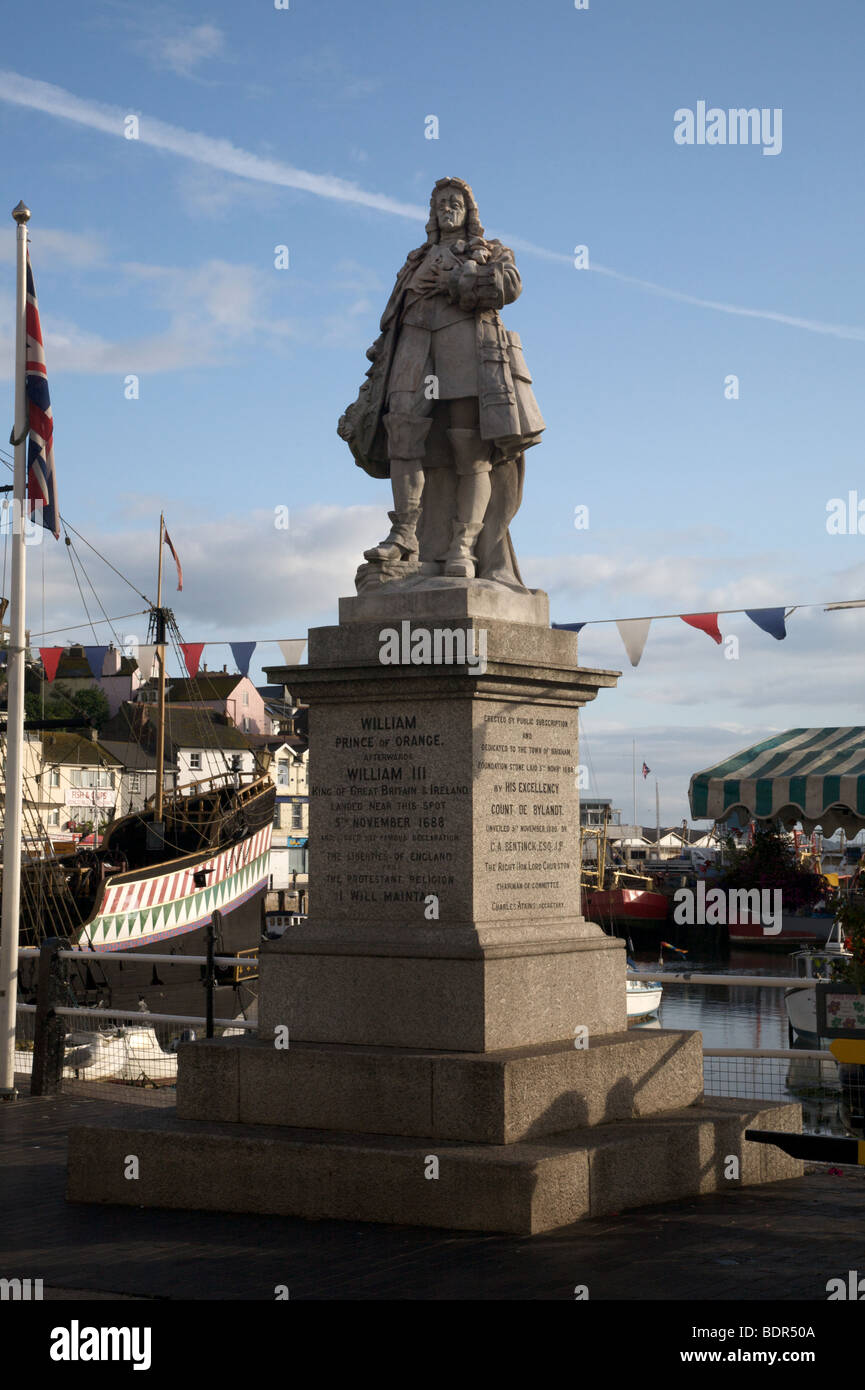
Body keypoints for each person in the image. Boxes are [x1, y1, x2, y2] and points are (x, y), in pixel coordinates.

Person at [338, 177, 544, 586]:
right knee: (402, 432)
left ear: (469, 211)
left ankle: (463, 547)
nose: (447, 206)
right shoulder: (415, 259)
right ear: (432, 212)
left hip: (464, 347)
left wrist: (458, 282)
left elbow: (511, 284)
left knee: (470, 448)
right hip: (414, 347)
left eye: (455, 201)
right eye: (441, 201)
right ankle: (405, 535)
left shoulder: (490, 251)